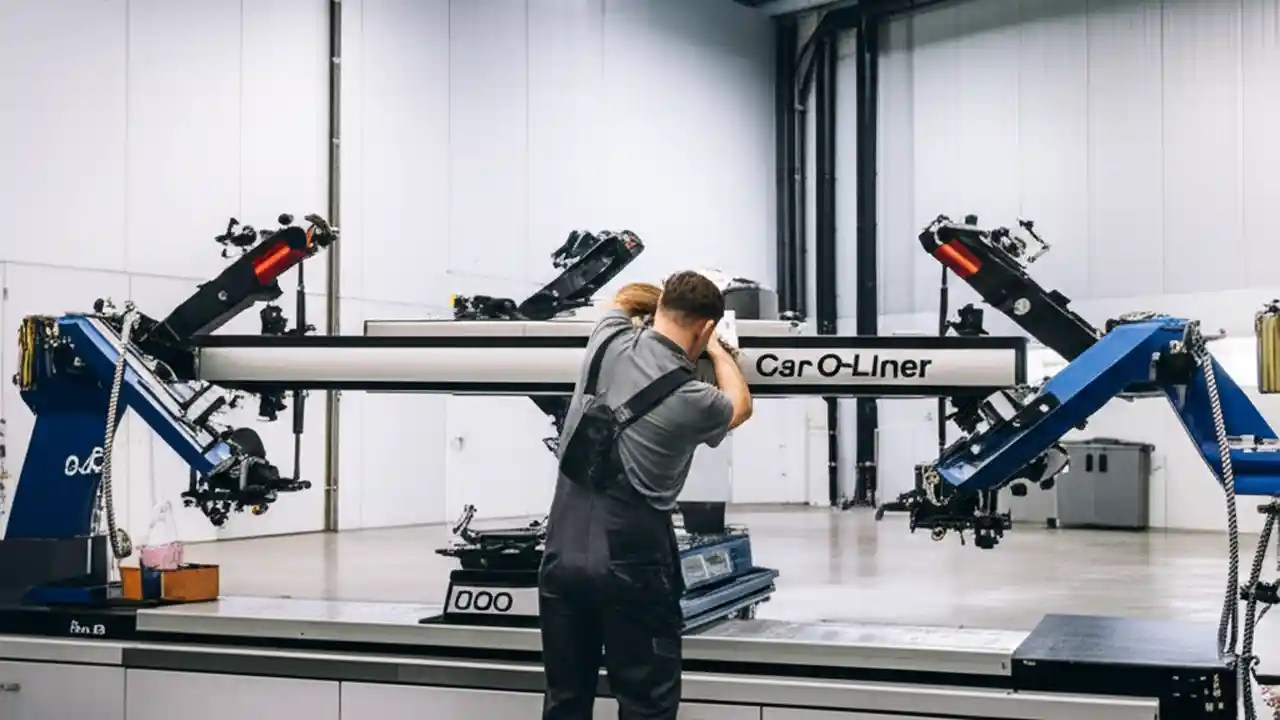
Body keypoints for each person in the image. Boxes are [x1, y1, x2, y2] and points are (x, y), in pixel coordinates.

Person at [539, 271, 753, 720]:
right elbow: (741, 404)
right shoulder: (695, 398)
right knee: (645, 706)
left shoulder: (606, 339)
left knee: (565, 702)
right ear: (707, 327)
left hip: (561, 557)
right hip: (631, 567)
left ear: (657, 313)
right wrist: (718, 352)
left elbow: (622, 297)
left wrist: (654, 303)